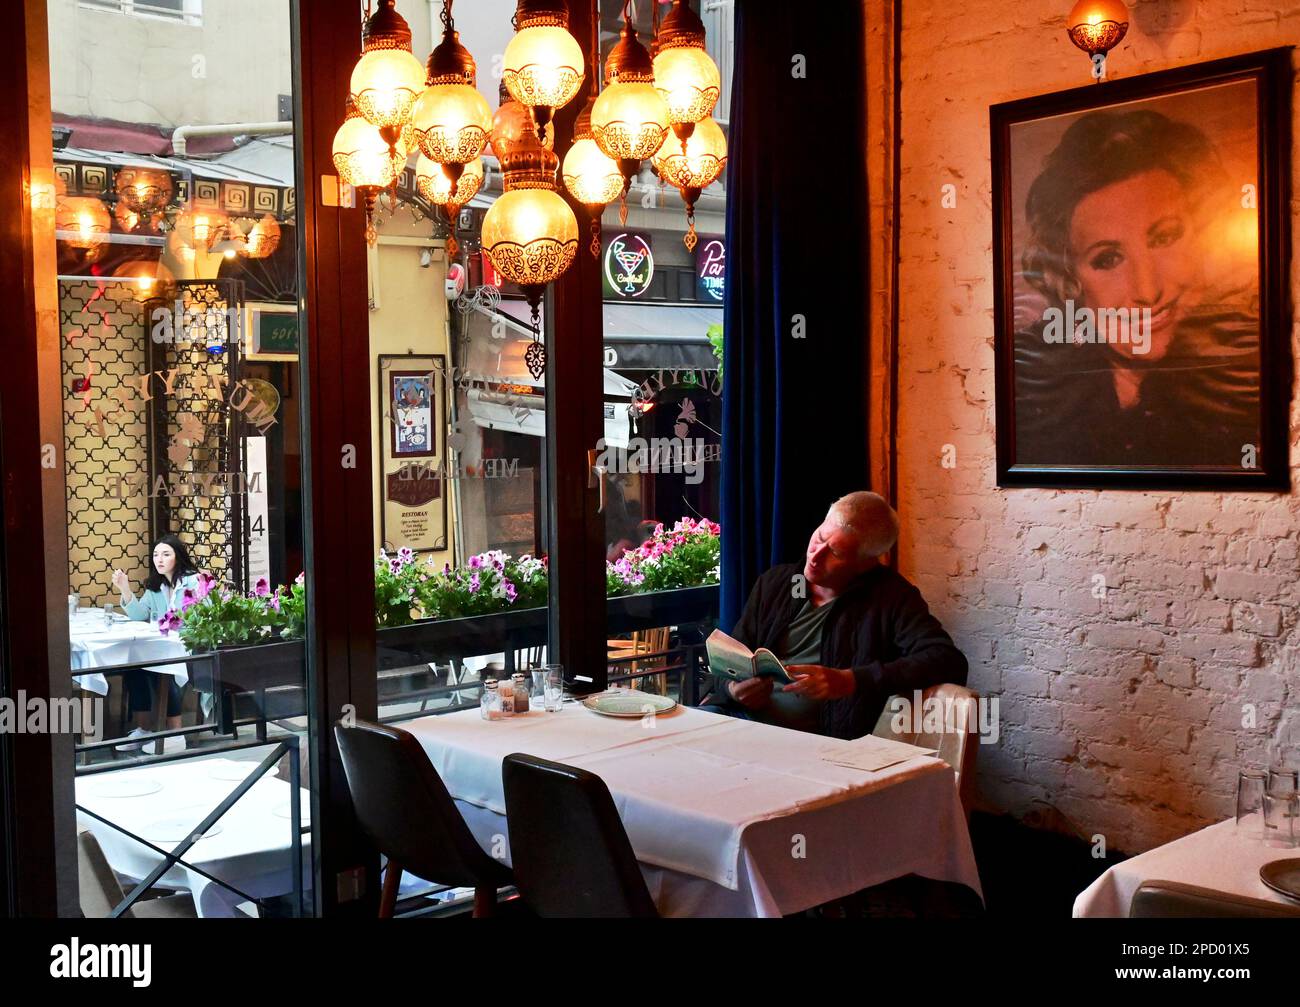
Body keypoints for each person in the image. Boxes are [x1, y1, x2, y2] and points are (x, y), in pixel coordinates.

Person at [1014, 108, 1259, 467]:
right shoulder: (1032, 393)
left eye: (1164, 238)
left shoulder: (1249, 382)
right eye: (1108, 259)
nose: (1147, 290)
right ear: (1072, 281)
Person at [702, 492, 967, 740]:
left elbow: (947, 661)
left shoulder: (891, 599)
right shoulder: (778, 582)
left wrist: (850, 680)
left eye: (836, 553)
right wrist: (733, 690)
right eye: (819, 538)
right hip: (744, 720)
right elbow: (727, 662)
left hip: (820, 742)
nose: (815, 555)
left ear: (866, 562)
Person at [109, 534, 201, 753]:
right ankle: (144, 730)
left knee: (163, 669)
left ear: (178, 558)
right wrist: (125, 588)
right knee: (134, 666)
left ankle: (176, 734)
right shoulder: (155, 587)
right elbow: (140, 615)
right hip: (162, 646)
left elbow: (201, 616)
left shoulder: (194, 582)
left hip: (190, 646)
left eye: (166, 554)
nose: (159, 559)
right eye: (156, 555)